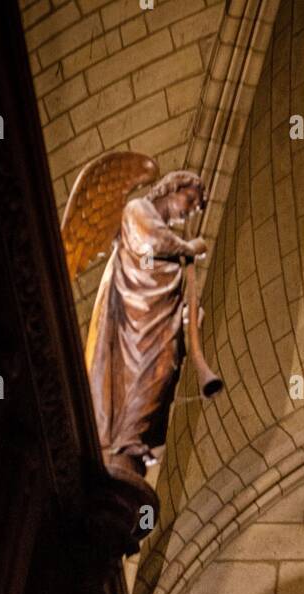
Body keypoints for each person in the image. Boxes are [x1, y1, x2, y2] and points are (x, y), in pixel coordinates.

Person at [85, 171, 208, 478]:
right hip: (131, 322)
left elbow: (164, 288)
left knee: (163, 369)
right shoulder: (137, 210)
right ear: (170, 189)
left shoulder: (172, 252)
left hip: (157, 326)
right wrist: (189, 247)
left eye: (194, 208)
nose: (189, 210)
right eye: (189, 200)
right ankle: (123, 442)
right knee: (131, 375)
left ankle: (133, 438)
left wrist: (185, 320)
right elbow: (150, 244)